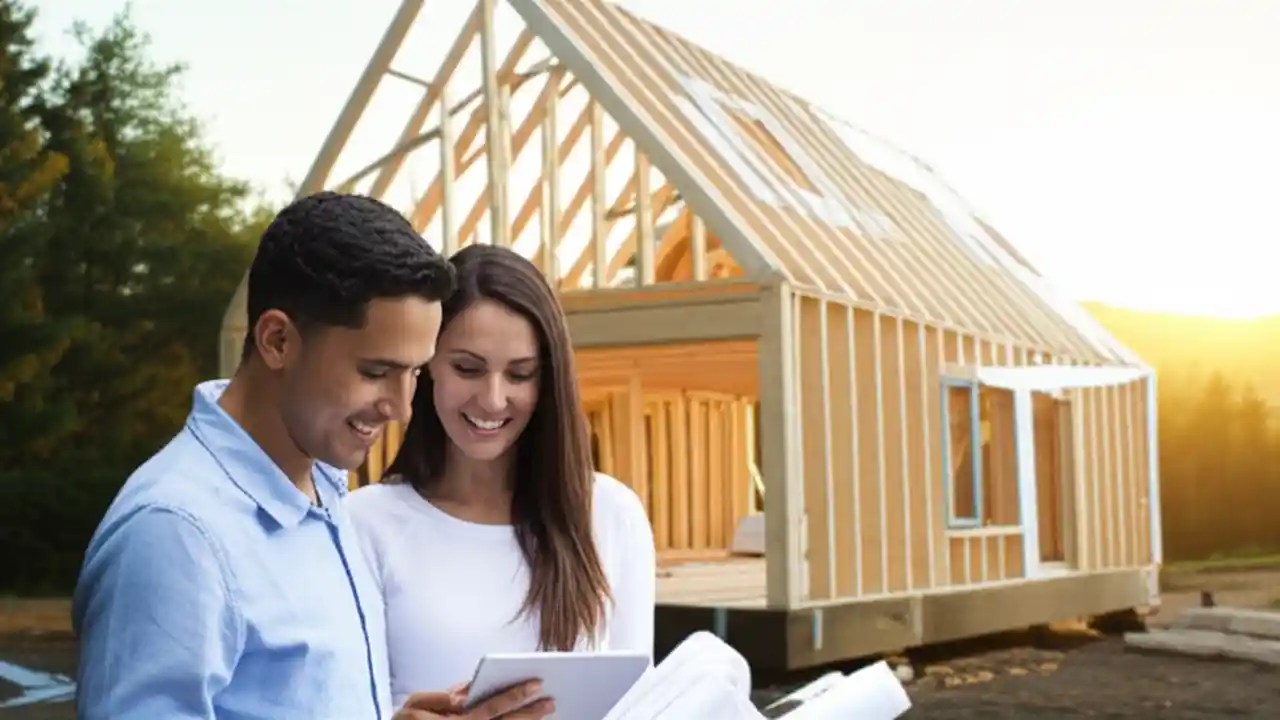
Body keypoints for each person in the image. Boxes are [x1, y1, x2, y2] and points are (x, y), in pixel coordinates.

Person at [71, 192, 553, 720]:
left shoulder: (320, 487)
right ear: (277, 340)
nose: (400, 408)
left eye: (414, 374)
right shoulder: (176, 536)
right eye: (375, 372)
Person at [345, 244, 657, 704]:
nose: (492, 399)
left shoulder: (611, 514)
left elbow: (639, 705)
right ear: (427, 366)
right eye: (467, 369)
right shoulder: (363, 523)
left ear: (548, 380)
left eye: (520, 374)